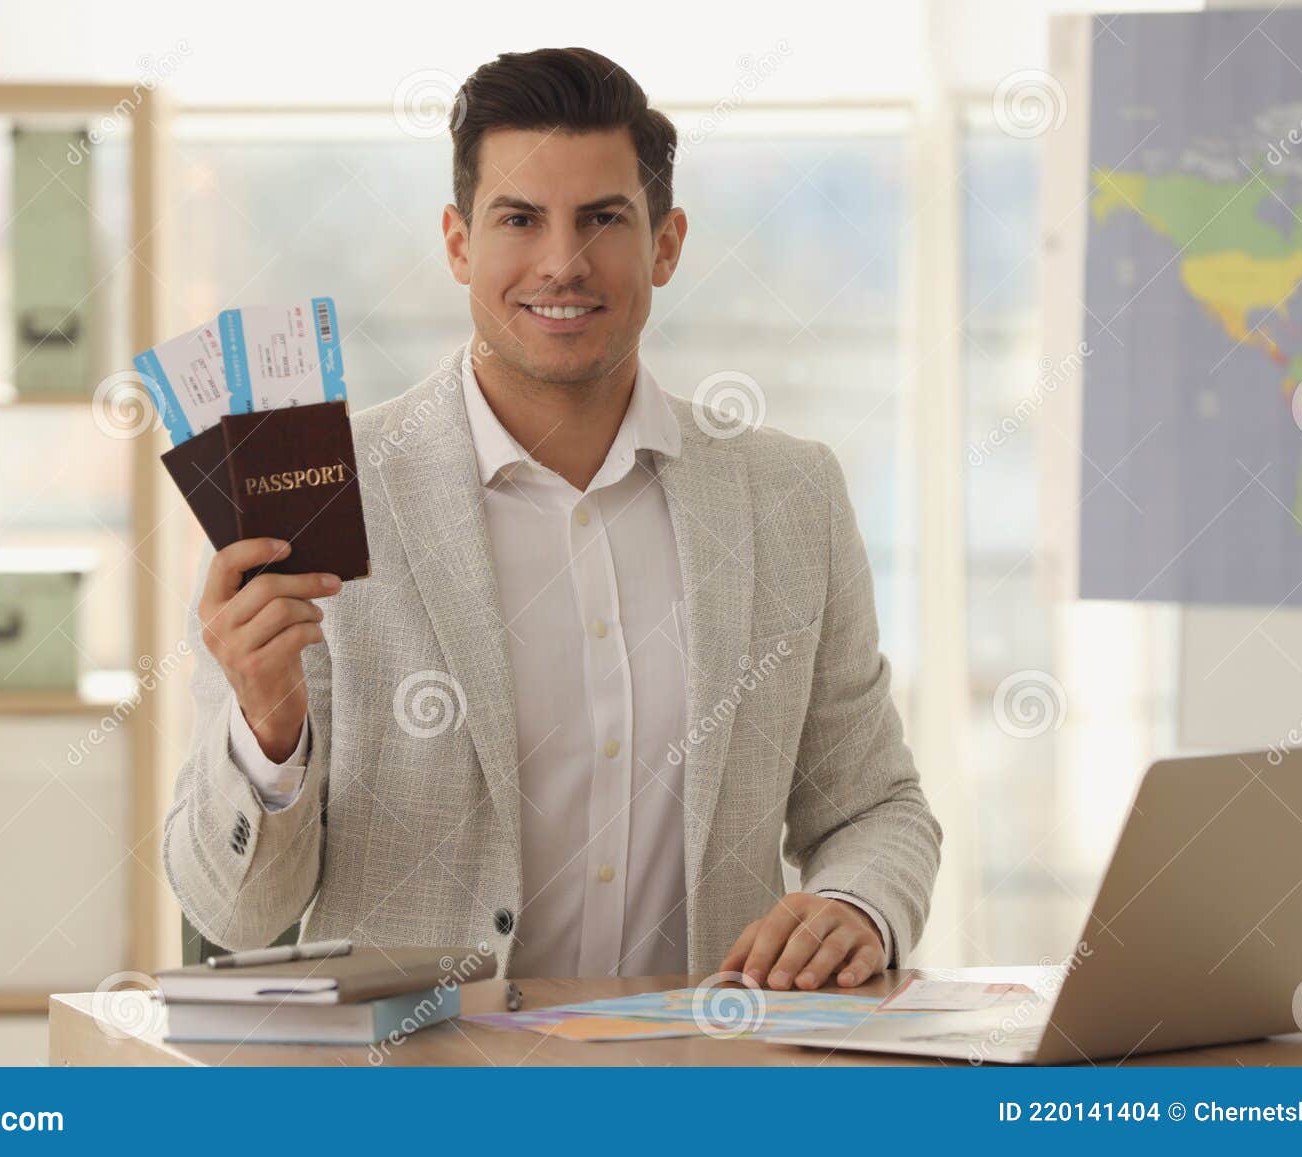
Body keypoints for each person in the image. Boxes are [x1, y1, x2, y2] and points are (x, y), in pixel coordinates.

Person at [163, 46, 941, 989]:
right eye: (519, 219)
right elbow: (237, 912)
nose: (562, 263)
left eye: (603, 219)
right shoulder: (324, 491)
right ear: (459, 243)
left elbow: (875, 805)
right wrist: (267, 724)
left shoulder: (790, 497)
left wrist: (857, 903)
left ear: (667, 242)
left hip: (709, 1088)